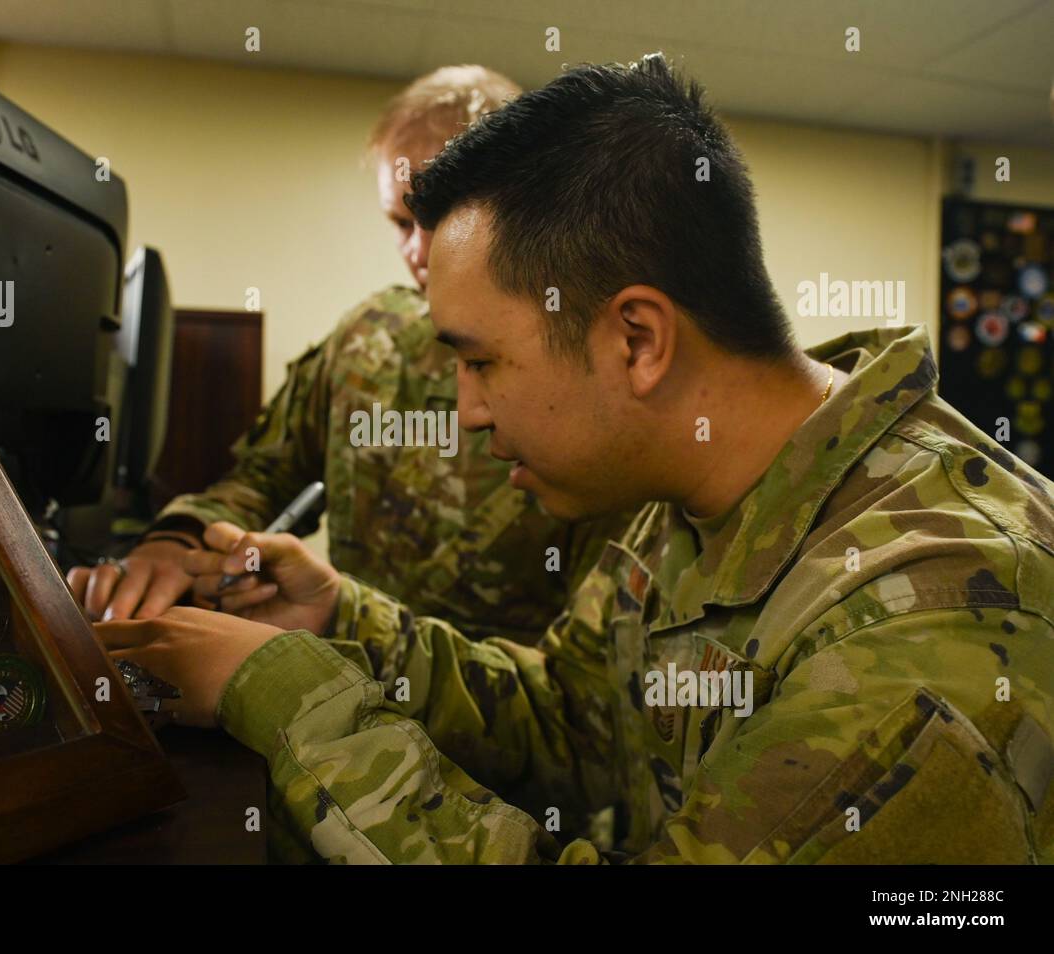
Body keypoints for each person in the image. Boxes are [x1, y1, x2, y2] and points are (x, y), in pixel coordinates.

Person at [96, 54, 1054, 864]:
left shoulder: (928, 642)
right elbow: (570, 724)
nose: (464, 413)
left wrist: (290, 696)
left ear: (636, 340)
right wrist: (343, 620)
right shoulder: (687, 487)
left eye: (482, 361)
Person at [68, 65, 629, 643]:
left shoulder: (583, 369)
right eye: (400, 221)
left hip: (507, 713)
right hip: (344, 699)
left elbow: (586, 682)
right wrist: (181, 540)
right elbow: (265, 476)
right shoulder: (366, 339)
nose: (420, 251)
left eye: (440, 217)